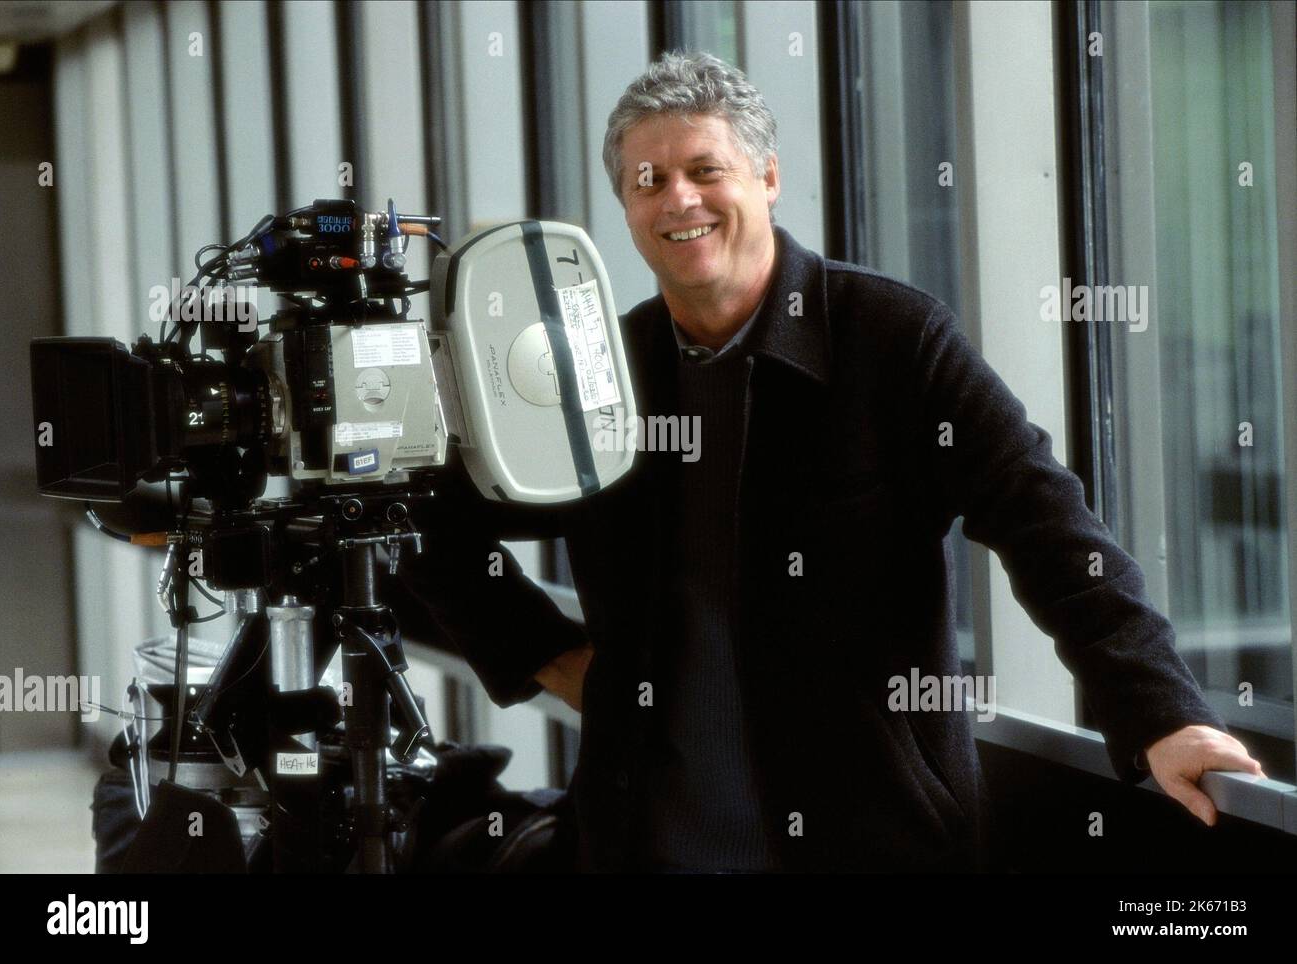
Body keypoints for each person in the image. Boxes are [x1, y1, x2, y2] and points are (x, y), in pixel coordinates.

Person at [398, 51, 1265, 873]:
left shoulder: (892, 339)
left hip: (874, 846)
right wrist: (550, 657)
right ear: (625, 209)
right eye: (647, 181)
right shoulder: (598, 371)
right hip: (641, 845)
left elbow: (1051, 528)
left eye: (706, 169)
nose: (677, 200)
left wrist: (1165, 715)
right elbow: (431, 517)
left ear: (768, 179)